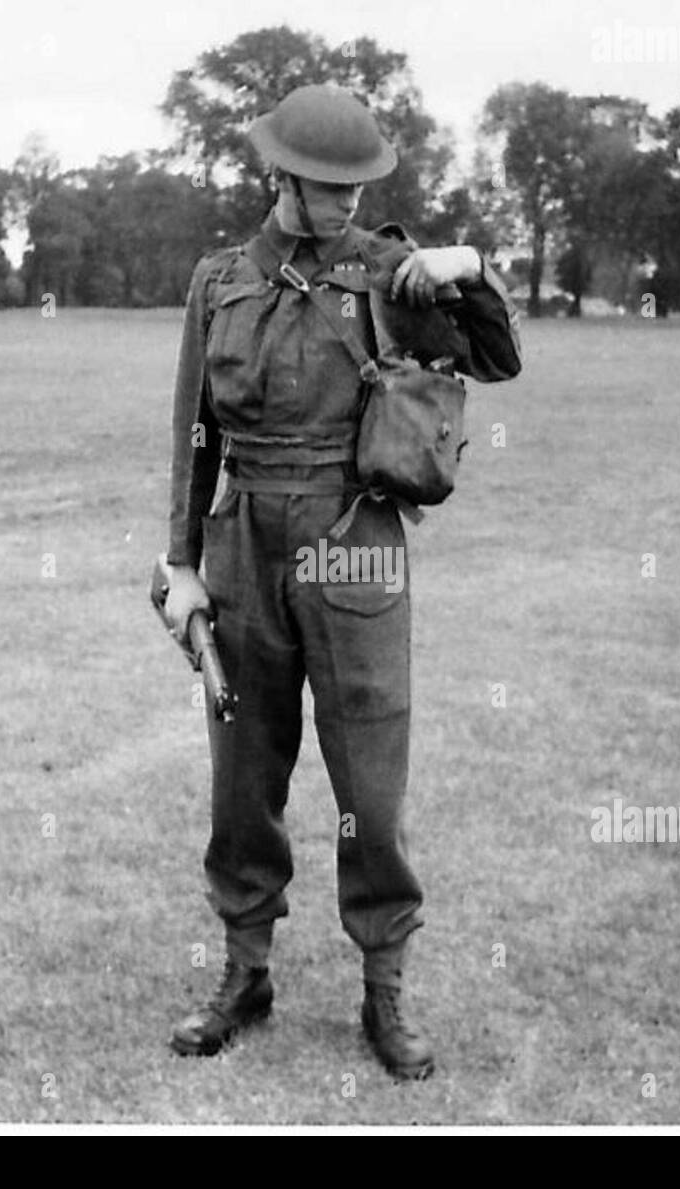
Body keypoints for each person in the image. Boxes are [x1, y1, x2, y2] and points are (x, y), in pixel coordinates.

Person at [160, 83, 521, 1079]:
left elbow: (497, 358)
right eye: (328, 188)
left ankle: (384, 993)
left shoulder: (384, 274)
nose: (349, 203)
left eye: (361, 187)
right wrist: (183, 564)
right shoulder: (219, 280)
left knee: (370, 781)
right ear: (279, 180)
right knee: (243, 776)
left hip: (355, 538)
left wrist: (466, 272)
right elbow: (194, 434)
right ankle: (244, 974)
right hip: (242, 545)